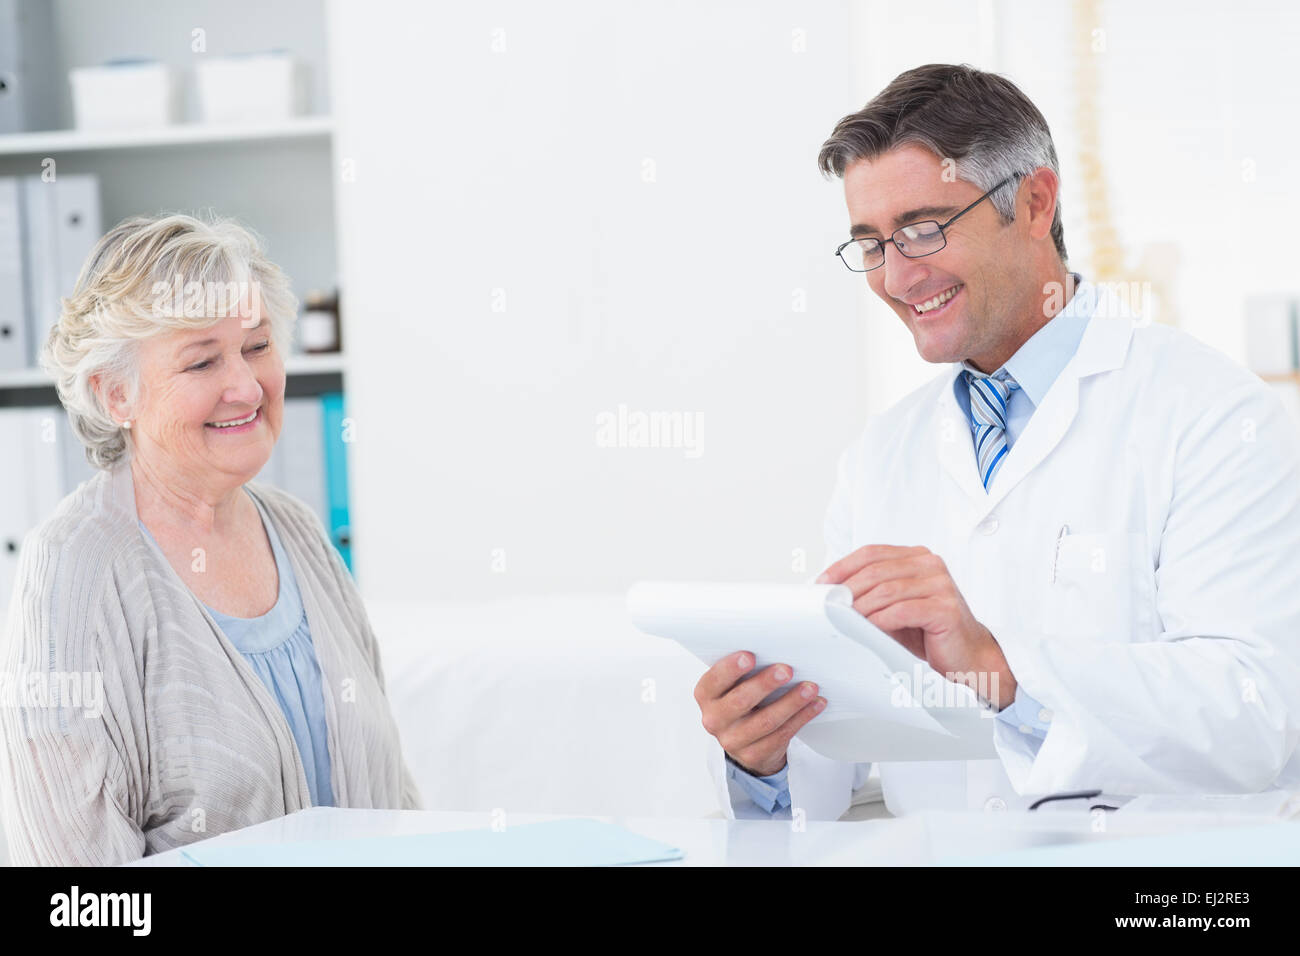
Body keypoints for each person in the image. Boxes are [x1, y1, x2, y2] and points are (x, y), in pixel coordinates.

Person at [695, 63, 1300, 821]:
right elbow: (846, 767)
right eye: (871, 243)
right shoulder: (881, 458)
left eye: (923, 229)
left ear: (1035, 202)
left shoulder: (1212, 416)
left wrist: (1003, 672)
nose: (896, 275)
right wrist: (764, 754)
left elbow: (1257, 715)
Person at [0, 213, 421, 865]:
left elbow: (396, 799)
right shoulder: (72, 571)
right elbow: (73, 880)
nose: (247, 387)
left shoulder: (298, 531)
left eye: (257, 347)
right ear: (116, 394)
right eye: (202, 361)